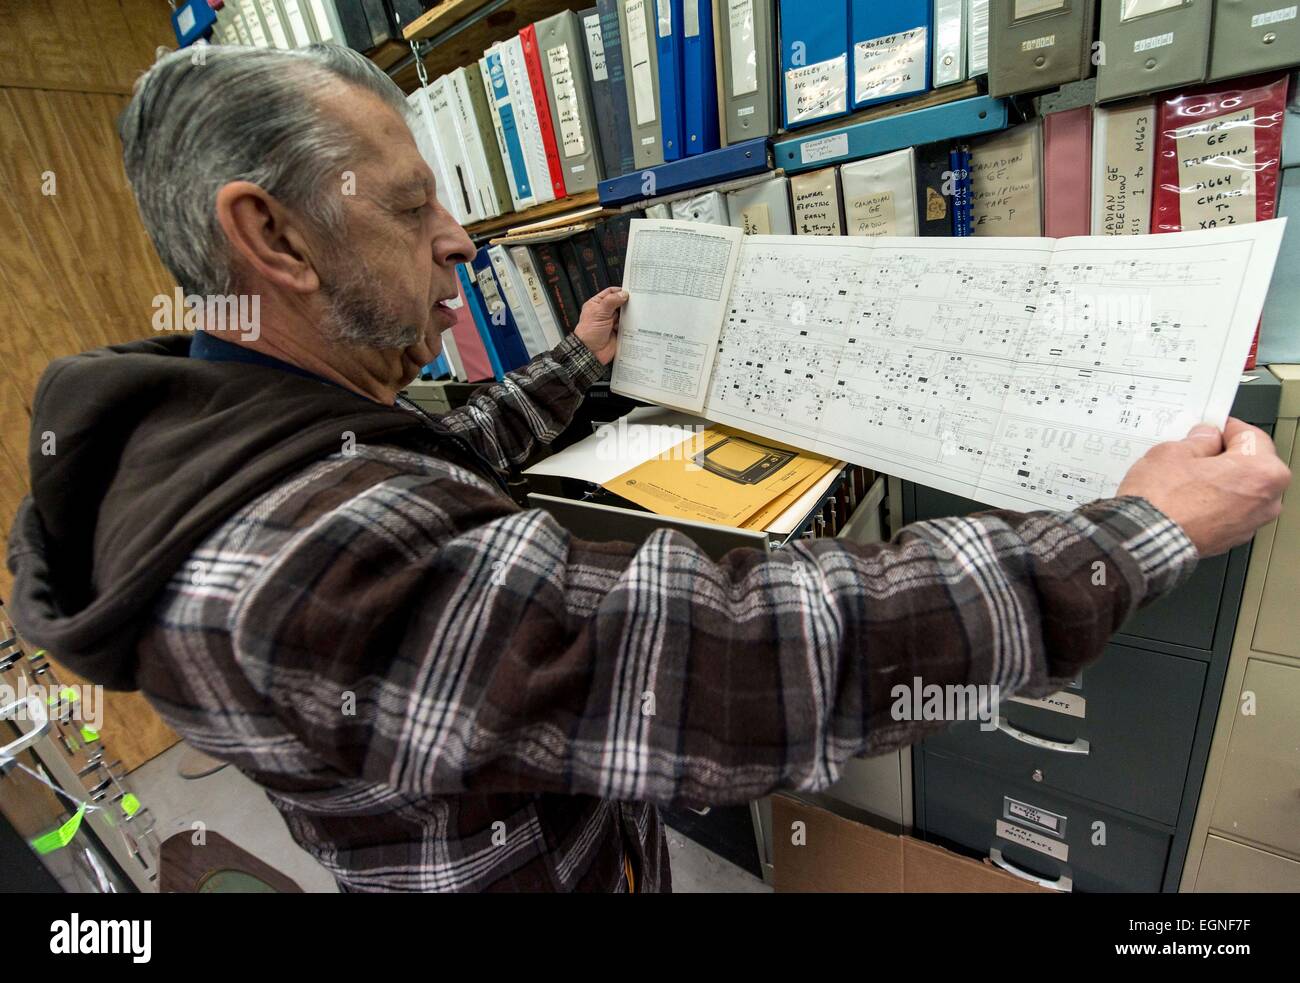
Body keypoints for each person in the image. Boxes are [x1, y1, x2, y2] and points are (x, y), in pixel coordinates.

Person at [6, 45, 1289, 893]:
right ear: (271, 234)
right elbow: (737, 659)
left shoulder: (214, 407)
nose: (458, 240)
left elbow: (416, 464)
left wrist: (571, 364)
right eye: (407, 208)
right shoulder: (295, 571)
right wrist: (1134, 529)